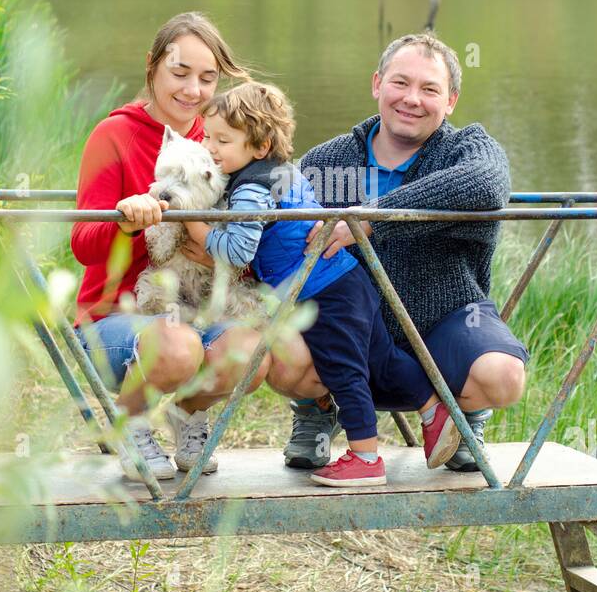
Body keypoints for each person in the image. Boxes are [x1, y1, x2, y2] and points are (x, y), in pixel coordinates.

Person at [267, 32, 529, 472]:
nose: (412, 99)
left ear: (451, 101)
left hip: (447, 315)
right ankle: (318, 407)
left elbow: (485, 184)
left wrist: (373, 216)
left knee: (502, 376)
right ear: (376, 85)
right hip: (347, 324)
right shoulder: (329, 162)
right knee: (278, 354)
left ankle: (460, 413)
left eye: (429, 89)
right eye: (400, 83)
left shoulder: (467, 148)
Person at [181, 81, 460, 487]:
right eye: (207, 136)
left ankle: (365, 458)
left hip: (321, 292)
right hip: (348, 279)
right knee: (378, 358)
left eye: (223, 139)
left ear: (259, 147)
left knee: (342, 368)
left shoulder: (252, 188)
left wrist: (192, 225)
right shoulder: (282, 172)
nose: (210, 147)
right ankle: (436, 412)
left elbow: (238, 250)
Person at [70, 11, 268, 482]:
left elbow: (251, 219)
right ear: (152, 67)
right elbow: (82, 246)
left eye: (207, 78)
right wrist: (126, 223)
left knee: (253, 354)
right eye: (179, 73)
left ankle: (187, 412)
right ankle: (130, 420)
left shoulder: (219, 140)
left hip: (196, 304)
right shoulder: (113, 135)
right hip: (113, 317)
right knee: (179, 347)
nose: (193, 90)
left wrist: (215, 248)